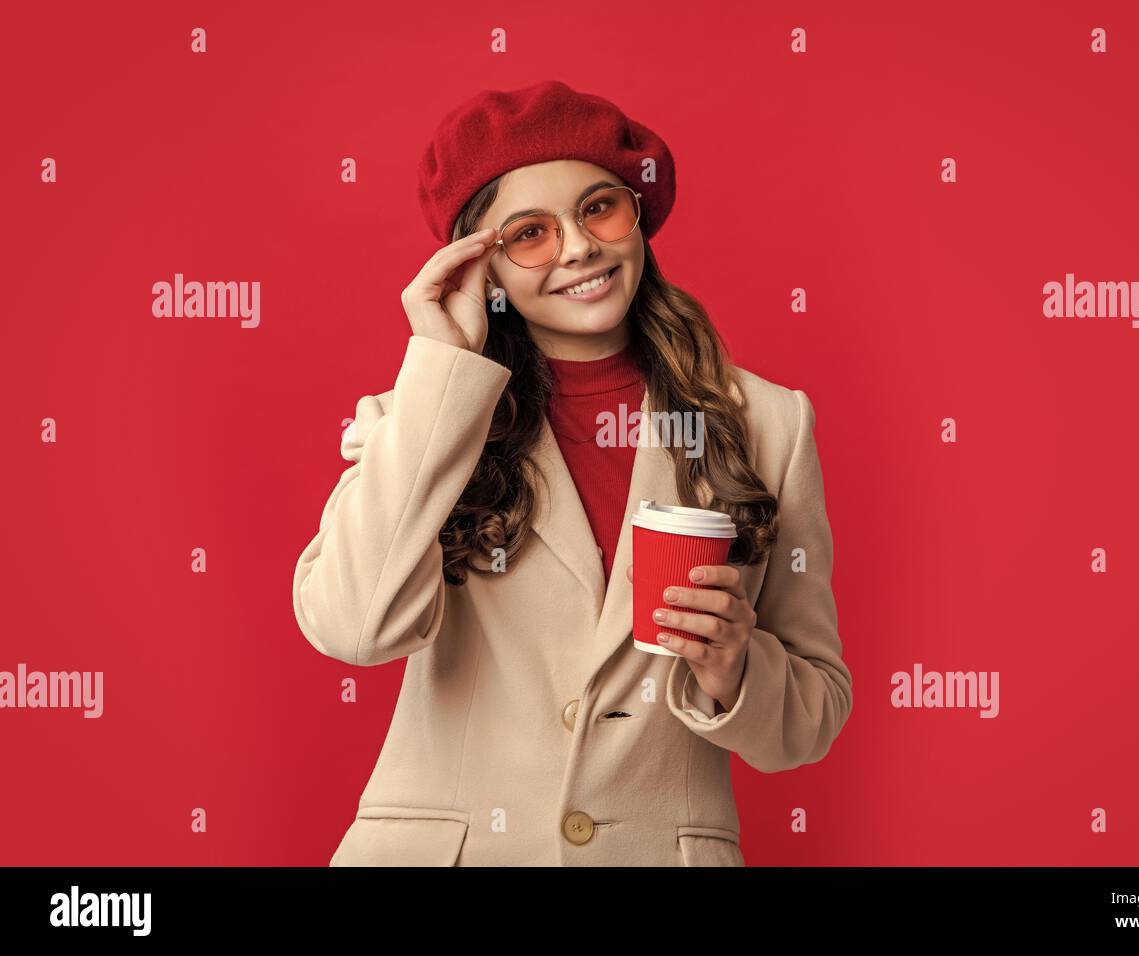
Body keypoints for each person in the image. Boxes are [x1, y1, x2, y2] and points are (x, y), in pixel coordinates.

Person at [291, 80, 852, 866]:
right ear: (477, 266)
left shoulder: (768, 423)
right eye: (529, 233)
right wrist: (444, 367)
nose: (579, 247)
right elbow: (353, 629)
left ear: (637, 218)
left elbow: (814, 714)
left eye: (598, 208)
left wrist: (736, 664)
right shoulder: (415, 416)